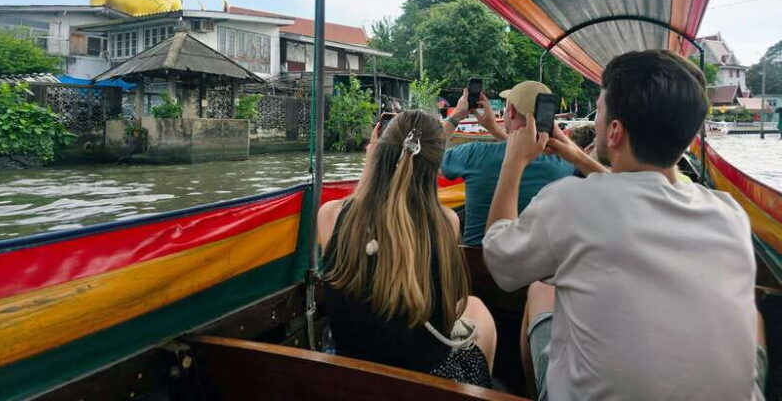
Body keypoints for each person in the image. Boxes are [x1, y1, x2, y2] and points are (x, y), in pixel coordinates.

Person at [483, 50, 766, 400]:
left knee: (542, 289)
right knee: (753, 318)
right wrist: (578, 156)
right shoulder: (729, 214)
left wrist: (513, 160)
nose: (596, 119)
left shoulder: (570, 202)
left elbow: (499, 260)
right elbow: (641, 191)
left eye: (600, 111)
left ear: (615, 131)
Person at [318, 110, 497, 387]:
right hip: (427, 384)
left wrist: (373, 164)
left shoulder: (330, 215)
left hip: (350, 377)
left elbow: (365, 207)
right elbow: (447, 311)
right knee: (477, 310)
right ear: (436, 166)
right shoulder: (445, 223)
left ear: (377, 151)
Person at [441, 82, 575, 246]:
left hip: (478, 268)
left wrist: (456, 116)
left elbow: (428, 156)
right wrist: (494, 129)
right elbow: (525, 150)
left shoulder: (475, 155)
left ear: (510, 111)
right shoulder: (567, 164)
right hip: (543, 269)